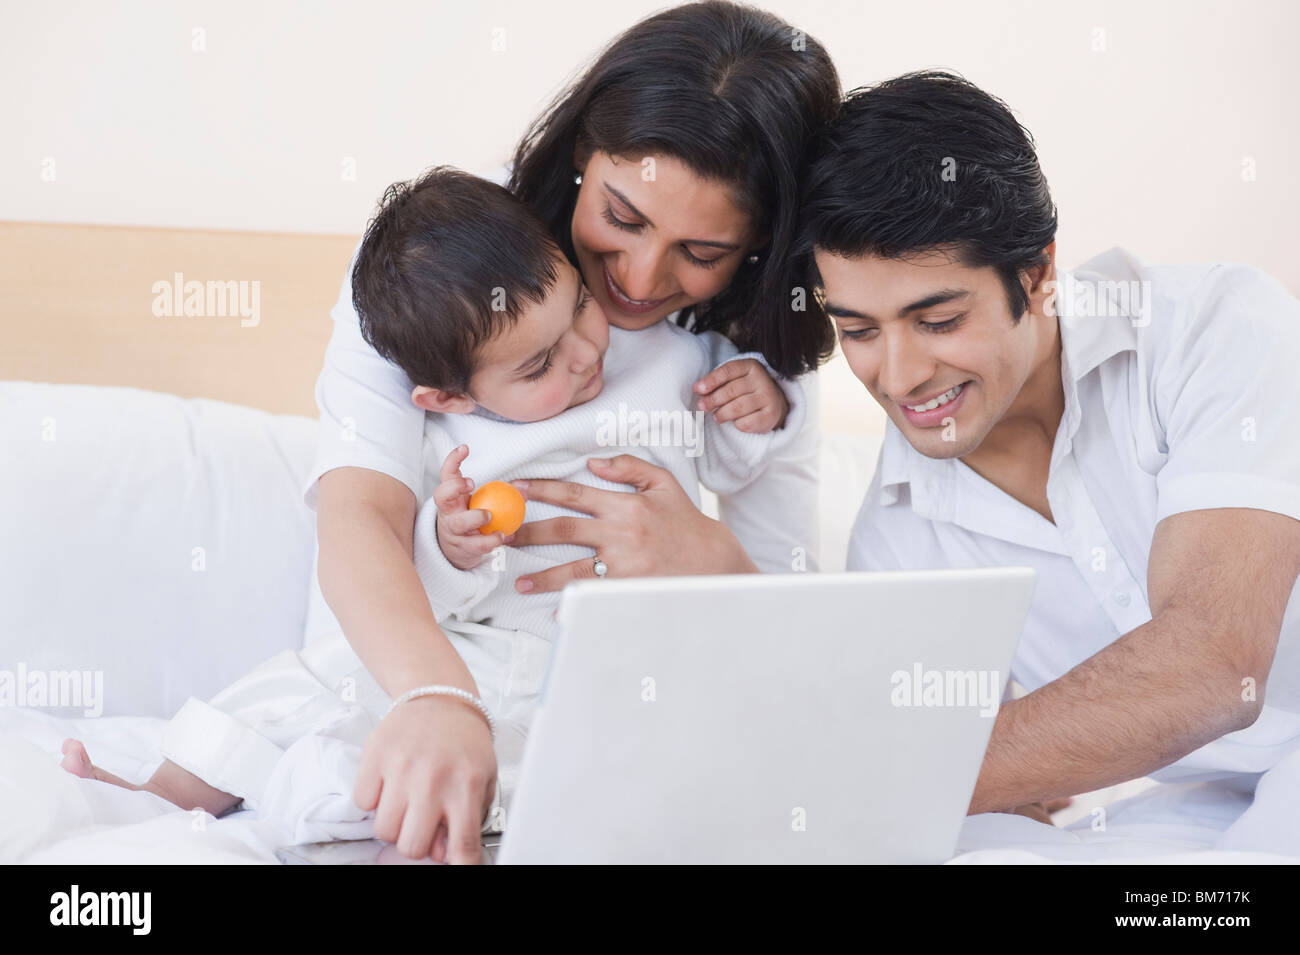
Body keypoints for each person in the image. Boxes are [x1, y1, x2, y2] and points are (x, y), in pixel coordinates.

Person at [61, 166, 807, 851]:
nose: (583, 352)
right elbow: (413, 579)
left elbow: (739, 456)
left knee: (584, 763)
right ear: (448, 396)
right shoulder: (451, 437)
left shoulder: (675, 355)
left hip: (597, 663)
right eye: (538, 365)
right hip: (464, 656)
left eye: (578, 305)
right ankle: (154, 796)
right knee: (297, 686)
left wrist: (766, 404)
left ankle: (414, 816)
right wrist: (450, 543)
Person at [294, 1, 838, 863]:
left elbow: (782, 606)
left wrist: (705, 557)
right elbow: (358, 513)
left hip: (616, 682)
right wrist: (434, 693)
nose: (639, 278)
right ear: (582, 155)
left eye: (701, 252)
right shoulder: (433, 270)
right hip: (418, 657)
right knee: (297, 740)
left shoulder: (749, 362)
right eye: (622, 219)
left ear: (764, 247)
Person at [795, 71, 1300, 820]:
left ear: (1036, 275)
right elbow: (998, 784)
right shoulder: (895, 537)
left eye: (936, 321)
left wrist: (893, 778)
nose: (897, 376)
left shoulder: (1215, 328)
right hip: (1196, 814)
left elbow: (1214, 666)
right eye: (859, 331)